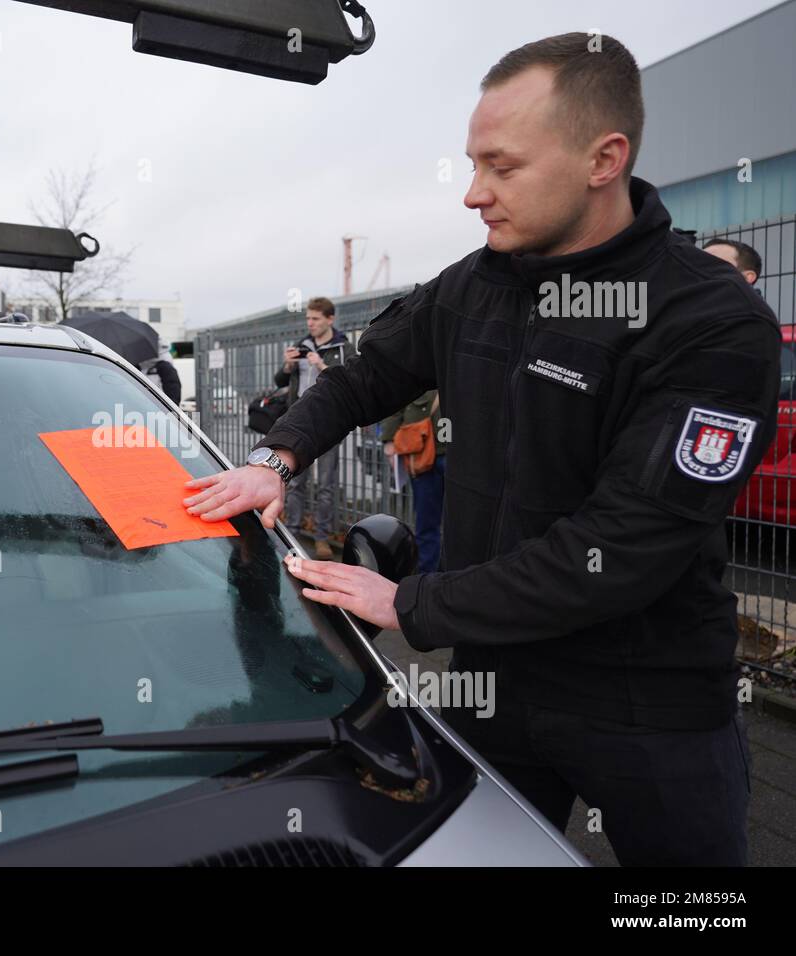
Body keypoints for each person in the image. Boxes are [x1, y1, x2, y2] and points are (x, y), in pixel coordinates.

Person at [182, 32, 779, 866]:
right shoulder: (477, 284)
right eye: (472, 164)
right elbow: (361, 379)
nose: (473, 194)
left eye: (502, 167)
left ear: (604, 158)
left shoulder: (706, 319)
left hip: (650, 704)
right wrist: (274, 461)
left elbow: (623, 546)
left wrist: (410, 606)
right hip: (493, 682)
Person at [274, 296, 356, 558]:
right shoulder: (301, 345)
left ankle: (322, 538)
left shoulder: (343, 348)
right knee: (296, 482)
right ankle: (293, 534)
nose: (310, 323)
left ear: (330, 319)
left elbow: (352, 381)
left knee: (326, 484)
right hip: (300, 422)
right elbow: (279, 380)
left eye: (316, 319)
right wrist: (288, 365)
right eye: (308, 318)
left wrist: (322, 366)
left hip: (329, 422)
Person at [380, 391, 446, 572]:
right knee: (426, 524)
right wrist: (388, 439)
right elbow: (397, 399)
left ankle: (455, 579)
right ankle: (427, 577)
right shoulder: (420, 369)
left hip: (457, 455)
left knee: (461, 524)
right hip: (421, 453)